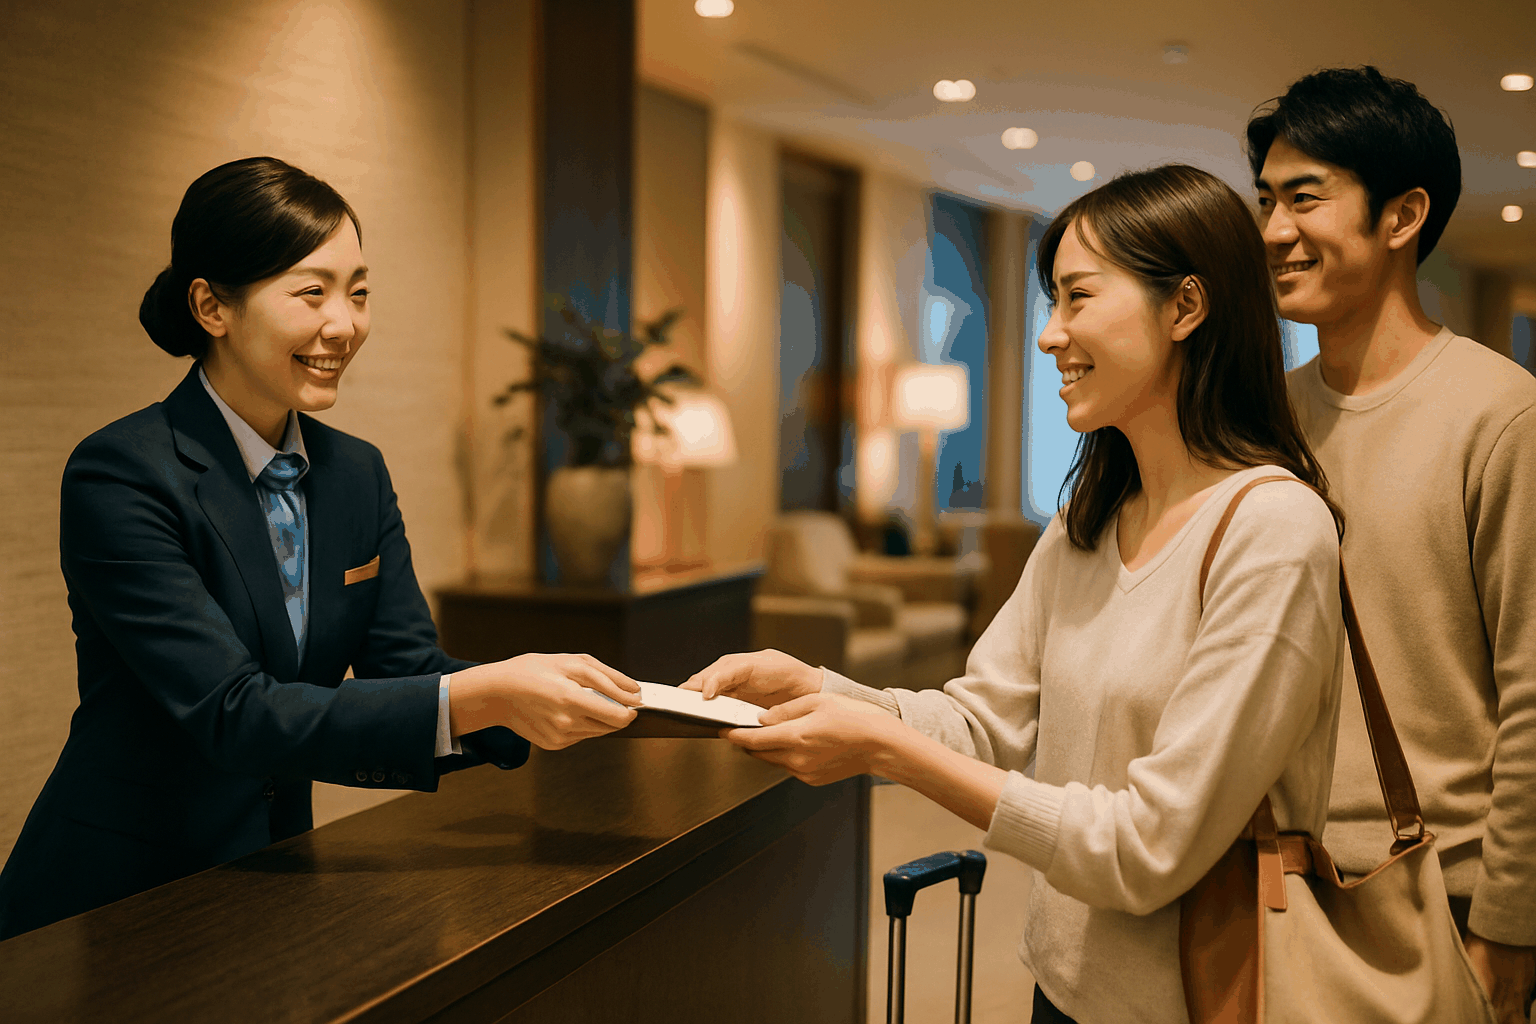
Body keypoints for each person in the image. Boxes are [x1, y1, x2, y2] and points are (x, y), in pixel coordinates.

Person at [685, 165, 1346, 1024]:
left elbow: (1149, 847)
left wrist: (883, 750)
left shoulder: (1275, 531)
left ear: (1185, 308)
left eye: (1077, 298)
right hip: (1061, 984)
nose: (1049, 335)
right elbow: (981, 725)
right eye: (1050, 302)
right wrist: (819, 687)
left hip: (1197, 1002)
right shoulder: (1090, 516)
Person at [0, 157, 642, 941]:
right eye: (312, 292)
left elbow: (406, 670)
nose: (345, 324)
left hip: (270, 881)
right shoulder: (123, 473)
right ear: (211, 306)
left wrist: (601, 703)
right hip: (115, 899)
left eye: (359, 292)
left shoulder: (354, 473)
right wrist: (497, 693)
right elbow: (234, 713)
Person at [1249, 65, 1536, 1023]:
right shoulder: (1268, 423)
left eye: (1304, 198)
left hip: (1440, 897)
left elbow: (1535, 694)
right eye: (1265, 202)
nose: (1274, 231)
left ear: (1403, 215)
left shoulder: (1502, 416)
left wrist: (1507, 928)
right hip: (1278, 882)